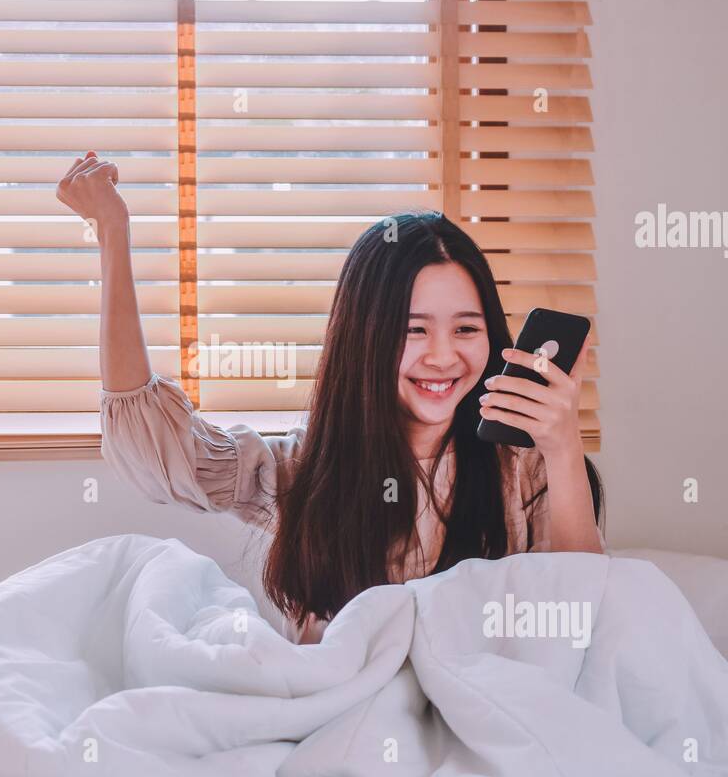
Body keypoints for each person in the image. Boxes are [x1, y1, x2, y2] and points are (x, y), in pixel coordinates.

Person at [56, 152, 605, 644]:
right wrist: (112, 233)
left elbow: (579, 618)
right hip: (341, 722)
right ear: (363, 336)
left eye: (466, 329)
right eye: (413, 330)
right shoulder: (301, 471)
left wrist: (560, 449)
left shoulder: (526, 472)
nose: (442, 356)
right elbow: (151, 448)